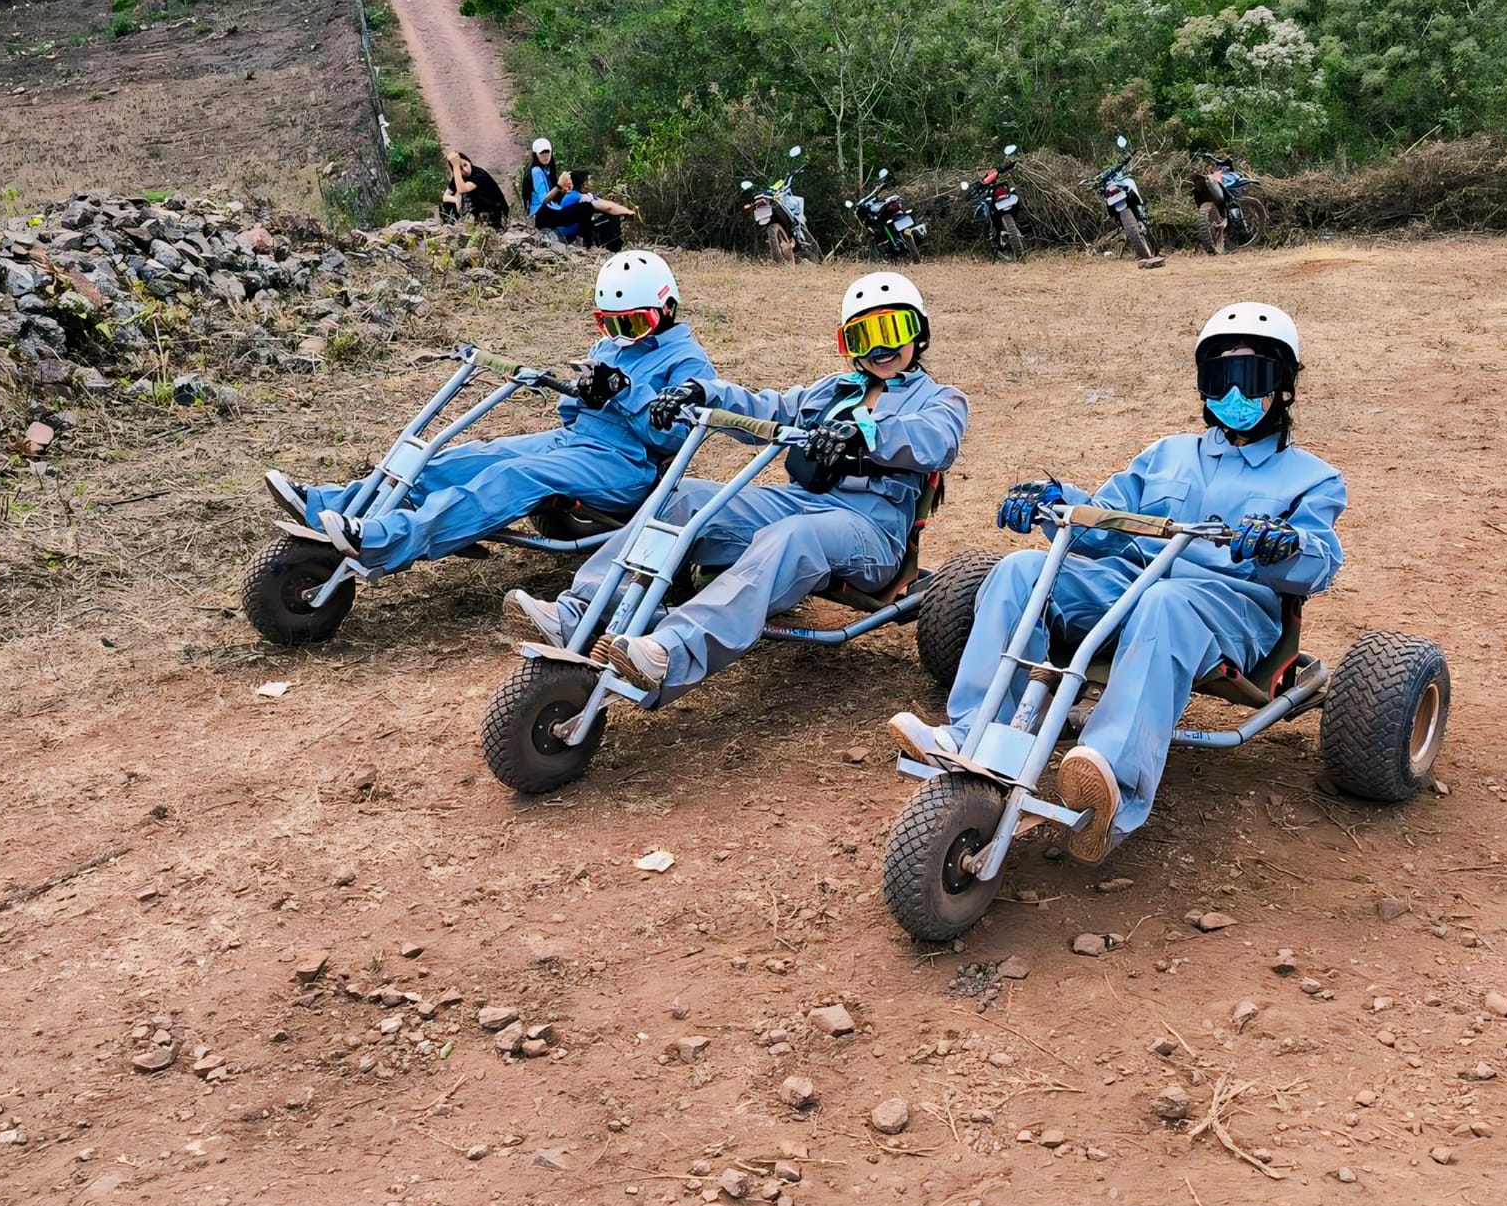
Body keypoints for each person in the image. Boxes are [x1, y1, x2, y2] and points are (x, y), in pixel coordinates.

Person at [890, 302, 1344, 863]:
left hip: (1227, 607)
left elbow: (1320, 560)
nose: (1233, 393)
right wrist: (1054, 503)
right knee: (1020, 571)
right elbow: (1104, 517)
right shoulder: (1167, 455)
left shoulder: (1314, 478)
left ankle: (1110, 781)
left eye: (1251, 377)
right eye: (1218, 377)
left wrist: (1285, 544)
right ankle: (977, 733)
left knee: (1166, 601)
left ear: (1283, 385)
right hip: (1128, 583)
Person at [505, 272, 968, 700]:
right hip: (798, 501)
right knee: (686, 498)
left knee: (791, 538)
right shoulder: (832, 389)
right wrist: (704, 392)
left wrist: (865, 433)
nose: (879, 348)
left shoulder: (941, 399)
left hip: (869, 530)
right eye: (863, 336)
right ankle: (580, 610)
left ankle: (672, 649)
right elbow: (768, 408)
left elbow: (936, 441)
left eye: (894, 332)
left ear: (919, 332)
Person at [263, 251, 713, 574]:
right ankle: (336, 503)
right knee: (468, 458)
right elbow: (570, 414)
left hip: (625, 467)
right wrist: (580, 391)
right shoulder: (610, 345)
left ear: (667, 306)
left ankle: (385, 540)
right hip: (576, 443)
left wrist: (623, 395)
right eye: (609, 324)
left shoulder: (688, 363)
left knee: (513, 477)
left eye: (633, 323)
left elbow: (677, 439)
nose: (620, 335)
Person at [535, 167, 637, 251]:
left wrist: (627, 211)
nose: (592, 182)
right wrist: (628, 212)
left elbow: (607, 204)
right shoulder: (574, 197)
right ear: (584, 183)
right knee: (611, 221)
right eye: (590, 180)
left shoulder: (586, 195)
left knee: (610, 217)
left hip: (579, 232)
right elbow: (607, 207)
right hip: (569, 237)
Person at [439, 146, 510, 226]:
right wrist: (455, 200)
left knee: (469, 196)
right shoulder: (458, 177)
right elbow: (445, 197)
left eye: (465, 165)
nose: (465, 170)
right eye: (460, 169)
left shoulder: (479, 175)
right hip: (478, 208)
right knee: (445, 204)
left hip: (495, 209)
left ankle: (493, 225)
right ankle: (448, 225)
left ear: (469, 161)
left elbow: (462, 189)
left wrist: (456, 166)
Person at [519, 137, 560, 220]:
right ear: (536, 155)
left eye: (547, 153)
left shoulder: (547, 170)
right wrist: (559, 186)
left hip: (548, 209)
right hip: (539, 212)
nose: (545, 156)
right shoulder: (536, 171)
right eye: (542, 154)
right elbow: (544, 200)